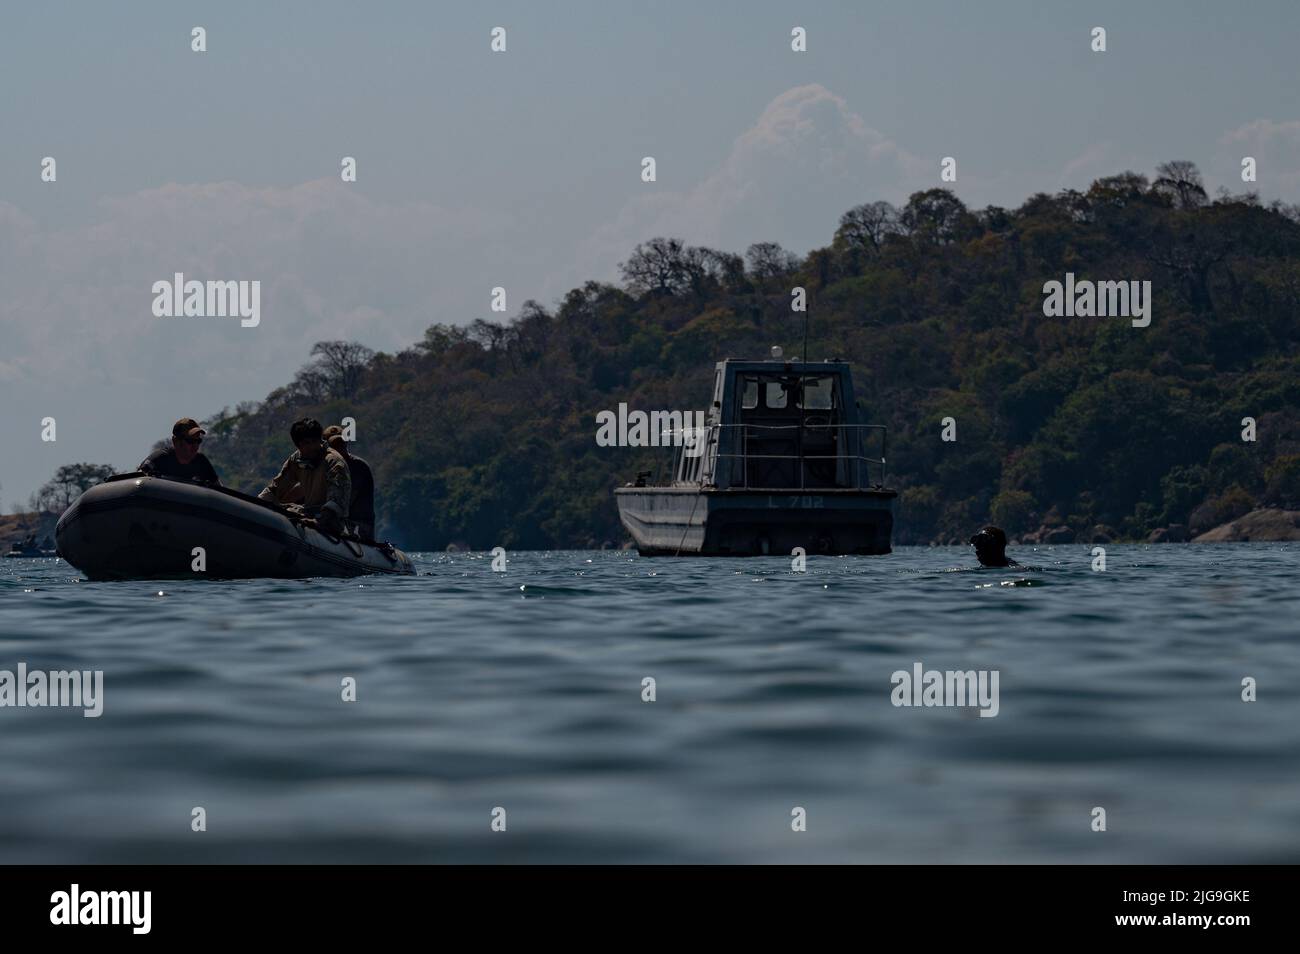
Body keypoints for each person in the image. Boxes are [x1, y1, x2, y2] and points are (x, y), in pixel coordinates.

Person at [258, 418, 351, 535]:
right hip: (308, 511)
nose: (312, 446)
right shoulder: (296, 460)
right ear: (298, 445)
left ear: (320, 440)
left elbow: (336, 502)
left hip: (330, 520)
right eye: (306, 443)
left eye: (314, 441)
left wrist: (318, 522)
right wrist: (257, 505)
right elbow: (276, 488)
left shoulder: (333, 462)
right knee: (282, 508)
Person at [322, 425, 376, 540]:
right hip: (340, 520)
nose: (339, 449)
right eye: (334, 446)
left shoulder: (358, 467)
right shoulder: (324, 467)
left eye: (341, 444)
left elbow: (345, 501)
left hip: (358, 525)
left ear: (346, 444)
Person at [139, 418, 221, 485]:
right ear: (176, 442)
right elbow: (138, 479)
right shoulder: (160, 459)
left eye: (198, 441)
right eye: (190, 441)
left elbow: (219, 490)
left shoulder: (201, 462)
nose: (195, 446)